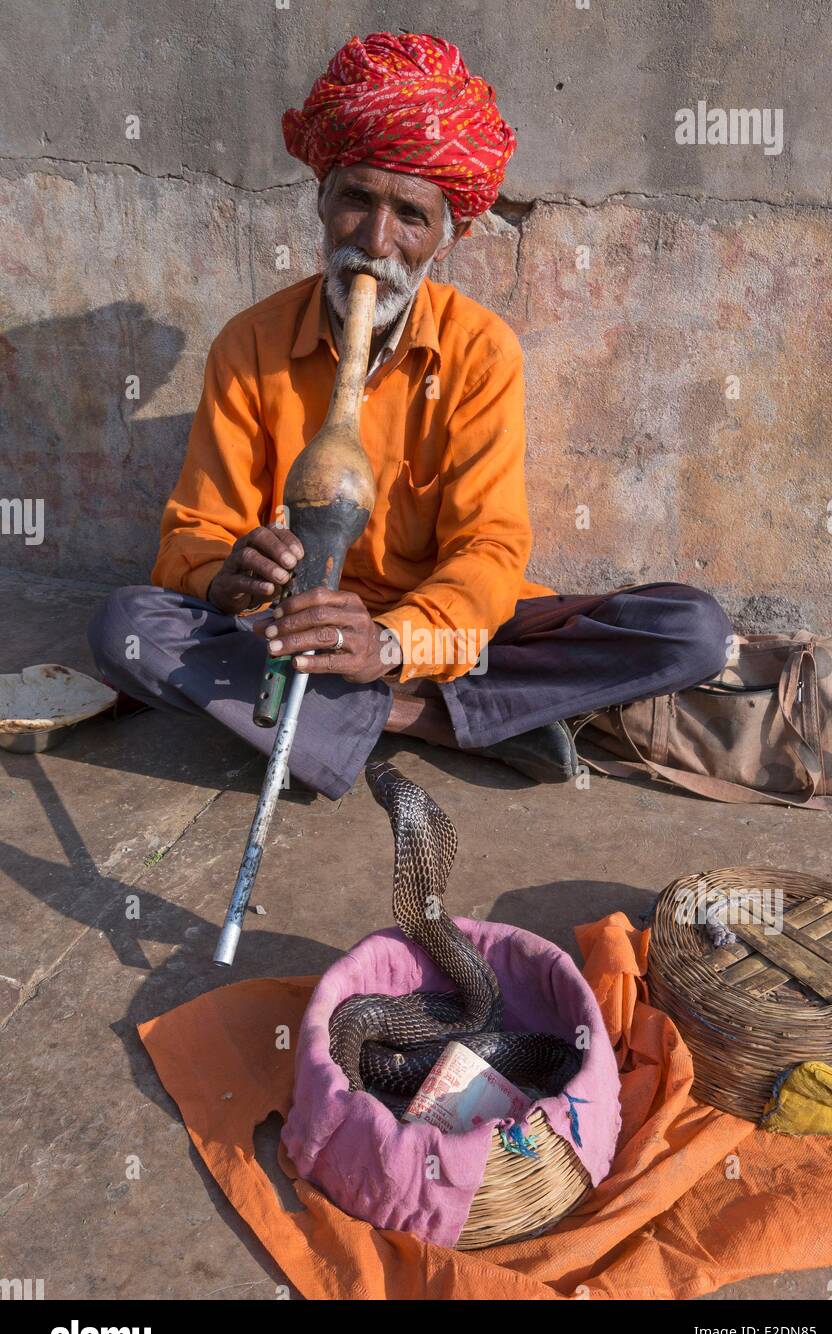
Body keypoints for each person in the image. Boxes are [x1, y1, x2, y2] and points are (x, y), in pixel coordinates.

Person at [89, 31, 731, 800]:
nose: (374, 242)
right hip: (291, 628)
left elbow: (489, 551)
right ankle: (453, 722)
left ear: (446, 237)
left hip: (444, 633)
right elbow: (190, 535)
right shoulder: (249, 345)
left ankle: (385, 713)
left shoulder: (480, 351)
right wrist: (227, 581)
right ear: (320, 196)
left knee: (688, 629)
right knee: (127, 624)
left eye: (410, 217)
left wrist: (393, 643)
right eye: (355, 199)